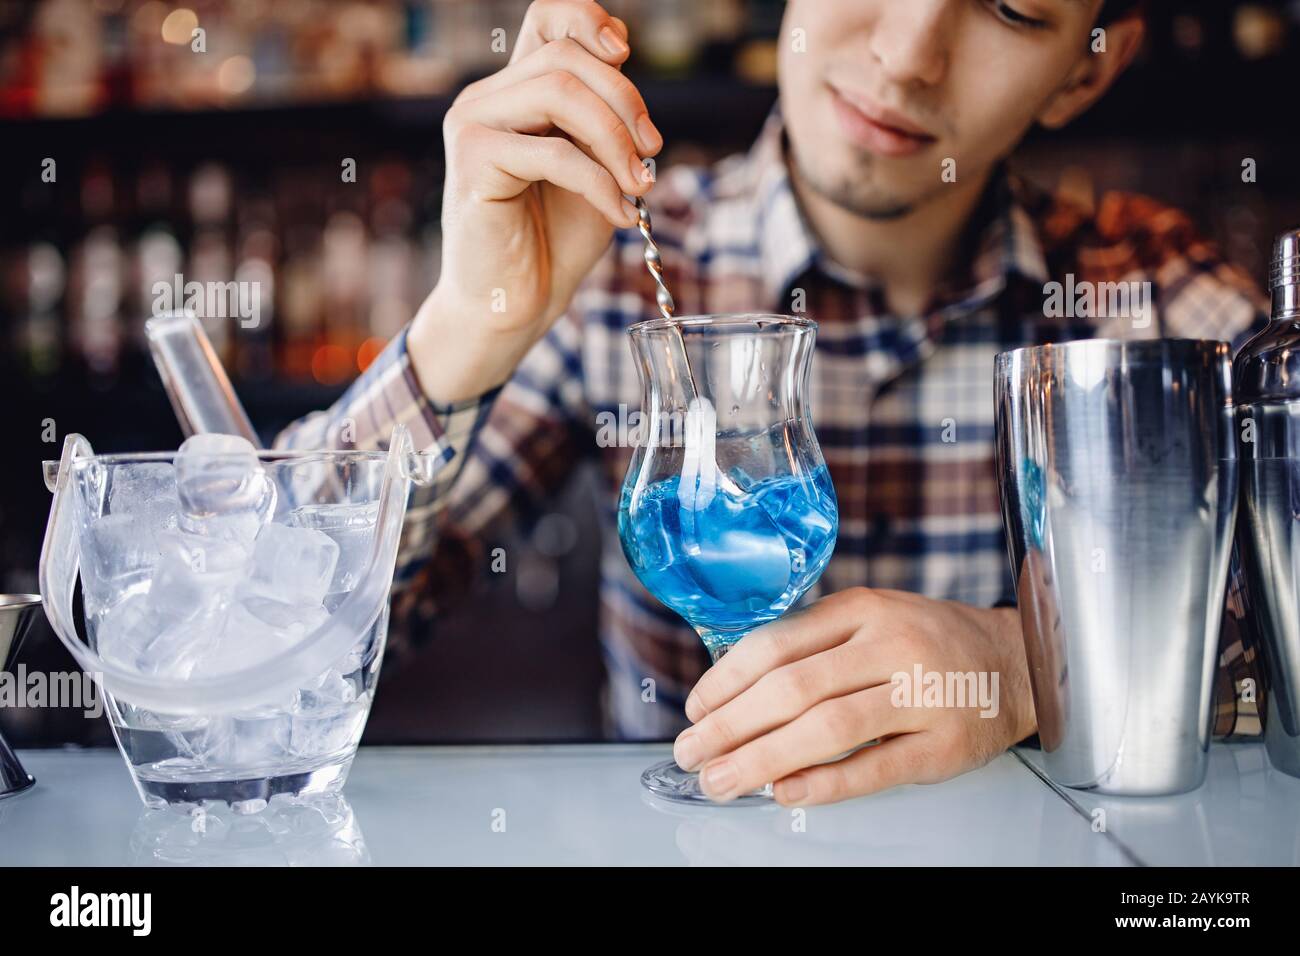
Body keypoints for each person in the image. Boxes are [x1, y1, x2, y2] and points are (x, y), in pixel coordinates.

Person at [276, 0, 1267, 805]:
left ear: (1088, 68)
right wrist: (469, 324)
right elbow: (280, 658)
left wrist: (1032, 667)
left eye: (1009, 9)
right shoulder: (606, 266)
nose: (906, 51)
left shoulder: (1153, 304)